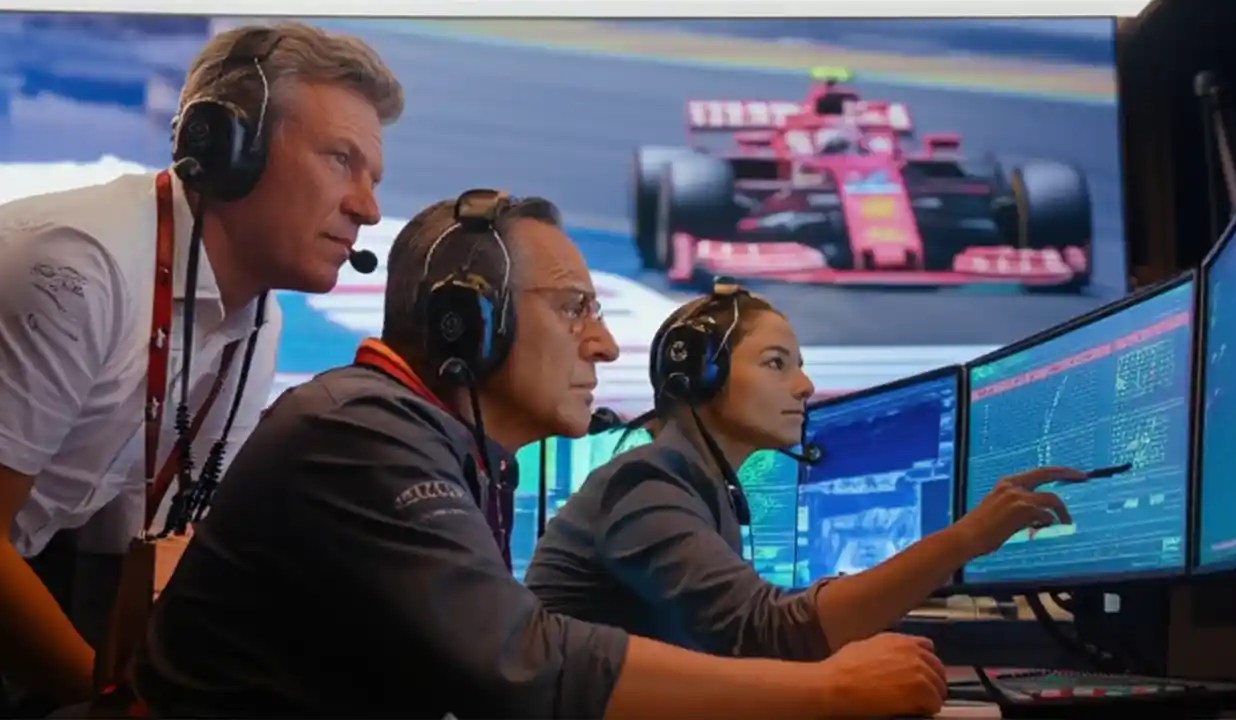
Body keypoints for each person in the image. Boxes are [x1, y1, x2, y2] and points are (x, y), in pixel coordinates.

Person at [130, 190, 951, 719]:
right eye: (573, 308)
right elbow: (524, 664)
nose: (600, 341)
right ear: (466, 323)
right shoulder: (358, 435)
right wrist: (828, 690)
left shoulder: (451, 449)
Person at [0, 20, 402, 714]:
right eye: (339, 159)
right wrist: (123, 706)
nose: (367, 205)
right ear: (227, 143)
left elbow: (144, 558)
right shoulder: (78, 274)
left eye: (372, 176)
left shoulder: (254, 324)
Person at [524, 287, 1088, 659]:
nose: (805, 386)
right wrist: (965, 538)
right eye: (777, 364)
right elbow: (769, 633)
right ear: (702, 376)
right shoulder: (645, 484)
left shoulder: (694, 483)